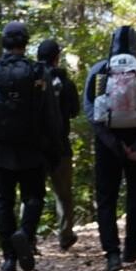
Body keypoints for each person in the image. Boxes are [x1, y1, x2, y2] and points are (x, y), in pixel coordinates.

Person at [0, 21, 62, 271]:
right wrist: (54, 147)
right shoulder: (38, 72)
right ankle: (24, 233)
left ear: (4, 42)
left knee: (3, 202)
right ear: (25, 43)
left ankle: (9, 258)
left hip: (0, 149)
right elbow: (50, 112)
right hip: (33, 148)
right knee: (33, 197)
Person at [83, 24, 136, 271]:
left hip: (108, 143)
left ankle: (112, 255)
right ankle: (131, 247)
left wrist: (113, 144)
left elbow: (90, 109)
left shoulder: (100, 70)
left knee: (106, 198)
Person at [36, 37, 80, 250]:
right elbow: (74, 111)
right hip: (61, 145)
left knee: (32, 194)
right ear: (56, 58)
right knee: (63, 194)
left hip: (36, 147)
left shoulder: (32, 79)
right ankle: (65, 235)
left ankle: (27, 237)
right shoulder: (65, 83)